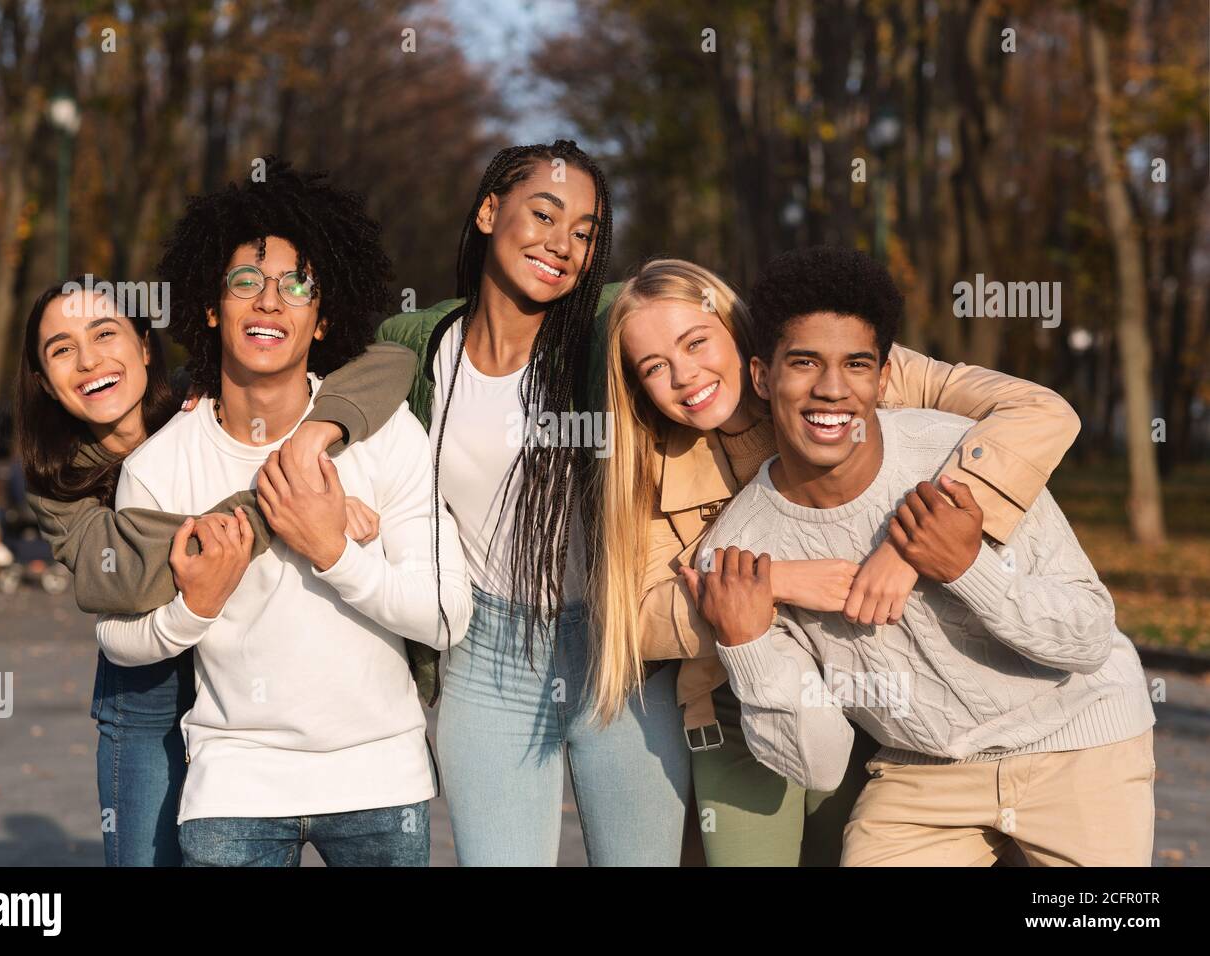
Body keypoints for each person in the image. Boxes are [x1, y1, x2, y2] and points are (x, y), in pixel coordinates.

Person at [592, 258, 1086, 865]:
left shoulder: (848, 370)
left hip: (868, 688)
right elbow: (633, 617)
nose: (685, 376)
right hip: (736, 690)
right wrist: (777, 582)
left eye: (696, 343)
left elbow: (1039, 414)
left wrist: (911, 546)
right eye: (654, 367)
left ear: (733, 329)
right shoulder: (643, 459)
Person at [686, 245, 1155, 866]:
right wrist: (747, 648)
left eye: (856, 364)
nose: (831, 389)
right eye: (805, 363)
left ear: (882, 379)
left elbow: (1090, 636)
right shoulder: (742, 549)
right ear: (763, 377)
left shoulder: (961, 455)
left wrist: (969, 569)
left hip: (1080, 742)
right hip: (922, 776)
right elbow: (822, 763)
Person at [93, 158, 472, 866]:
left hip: (379, 782)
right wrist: (193, 608)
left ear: (322, 318)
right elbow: (119, 636)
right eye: (246, 282)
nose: (270, 301)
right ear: (211, 307)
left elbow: (448, 614)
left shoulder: (386, 433)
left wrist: (335, 551)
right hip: (233, 786)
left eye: (296, 286)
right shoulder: (159, 466)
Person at [17, 261, 415, 866]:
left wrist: (312, 441)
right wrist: (291, 500)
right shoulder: (55, 480)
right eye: (62, 349)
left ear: (144, 347)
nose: (90, 360)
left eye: (105, 334)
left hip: (244, 683)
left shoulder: (202, 398)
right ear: (46, 381)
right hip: (146, 688)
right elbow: (118, 576)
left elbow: (392, 363)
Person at [377, 140, 692, 865]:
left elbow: (703, 335)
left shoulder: (605, 333)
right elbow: (336, 390)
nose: (563, 244)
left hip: (621, 656)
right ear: (490, 211)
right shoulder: (420, 343)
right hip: (488, 658)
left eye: (585, 232)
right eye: (544, 215)